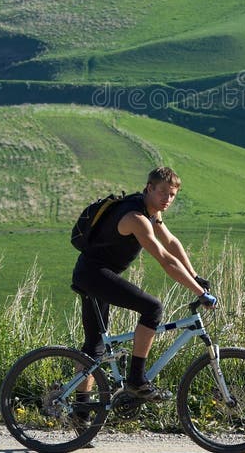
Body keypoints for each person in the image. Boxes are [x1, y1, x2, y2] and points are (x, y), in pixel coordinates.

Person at [72, 166, 216, 401]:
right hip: (94, 274)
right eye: (162, 193)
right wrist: (199, 292)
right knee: (152, 308)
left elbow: (170, 242)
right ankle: (136, 380)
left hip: (92, 273)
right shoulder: (136, 218)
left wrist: (194, 274)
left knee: (94, 349)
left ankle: (81, 413)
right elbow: (165, 260)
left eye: (172, 195)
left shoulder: (150, 210)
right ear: (149, 188)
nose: (167, 199)